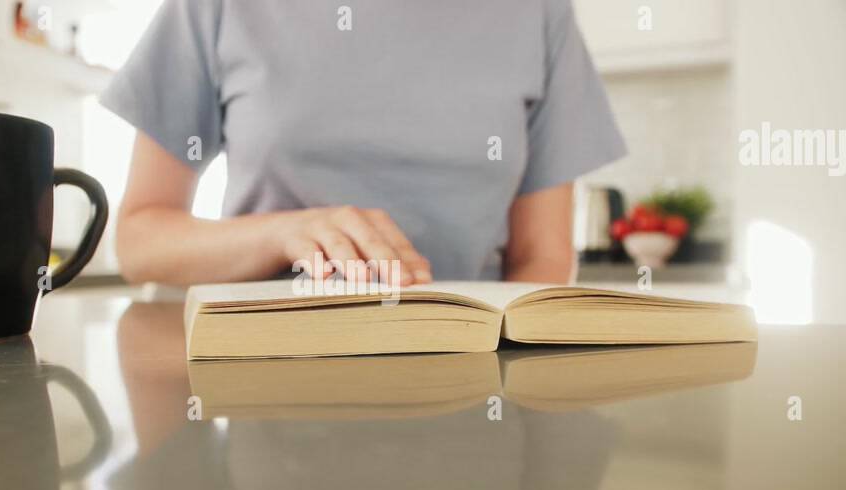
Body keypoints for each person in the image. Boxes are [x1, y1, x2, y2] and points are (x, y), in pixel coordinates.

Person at [101, 0, 625, 287]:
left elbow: (543, 256)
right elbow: (141, 241)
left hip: (472, 400)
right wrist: (284, 233)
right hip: (270, 401)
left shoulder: (539, 12)